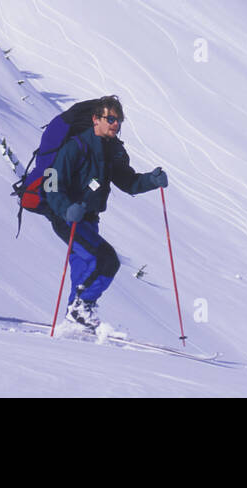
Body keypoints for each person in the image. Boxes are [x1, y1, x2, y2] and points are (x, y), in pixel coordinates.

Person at [34, 95, 167, 330]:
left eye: (119, 120)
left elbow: (128, 182)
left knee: (84, 268)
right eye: (111, 119)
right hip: (68, 218)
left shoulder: (112, 151)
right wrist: (66, 209)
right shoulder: (75, 147)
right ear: (96, 119)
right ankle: (81, 308)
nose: (116, 124)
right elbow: (51, 182)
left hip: (89, 219)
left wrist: (151, 181)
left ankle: (74, 322)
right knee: (106, 260)